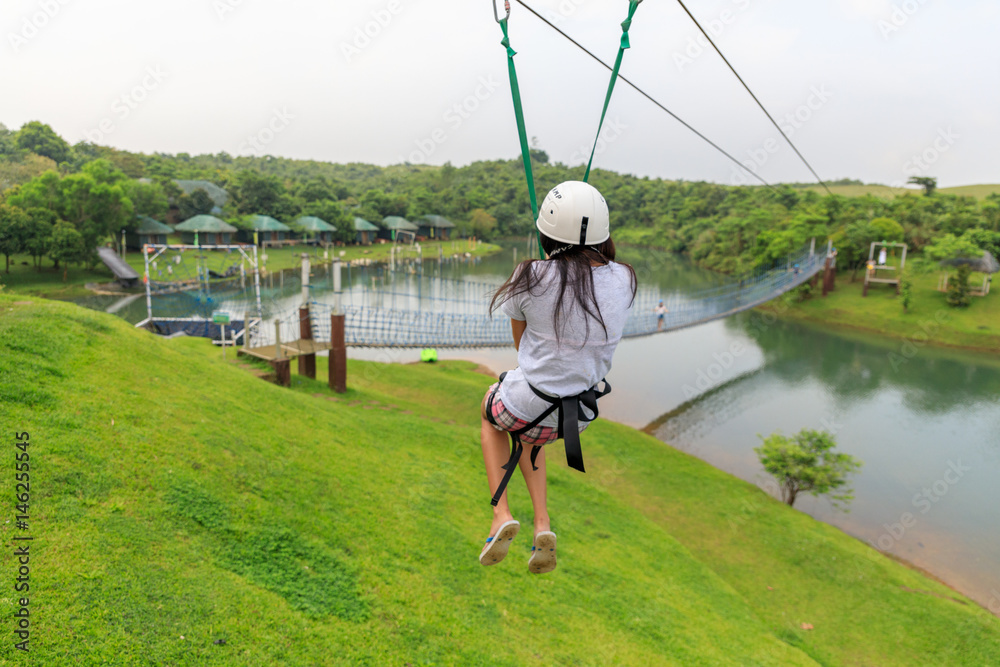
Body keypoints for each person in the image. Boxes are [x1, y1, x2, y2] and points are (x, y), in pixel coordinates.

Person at [478, 181, 637, 574]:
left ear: (546, 233)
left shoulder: (529, 275)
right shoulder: (626, 279)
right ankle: (542, 523)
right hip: (575, 418)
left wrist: (544, 266)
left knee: (489, 413)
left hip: (528, 405)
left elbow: (522, 347)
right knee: (534, 439)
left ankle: (501, 514)